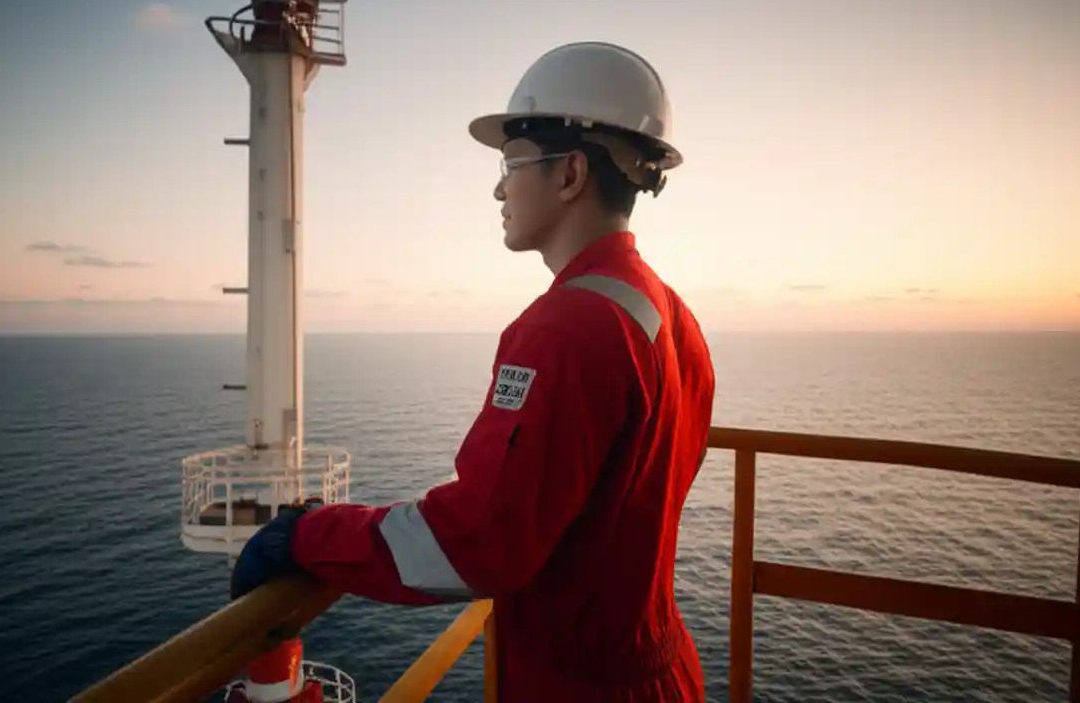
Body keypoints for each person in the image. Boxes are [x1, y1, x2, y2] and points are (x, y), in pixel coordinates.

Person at [231, 41, 716, 702]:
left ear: (570, 173)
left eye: (512, 163)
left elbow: (476, 543)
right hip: (660, 670)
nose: (498, 187)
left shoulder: (566, 327)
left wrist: (307, 536)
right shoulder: (671, 316)